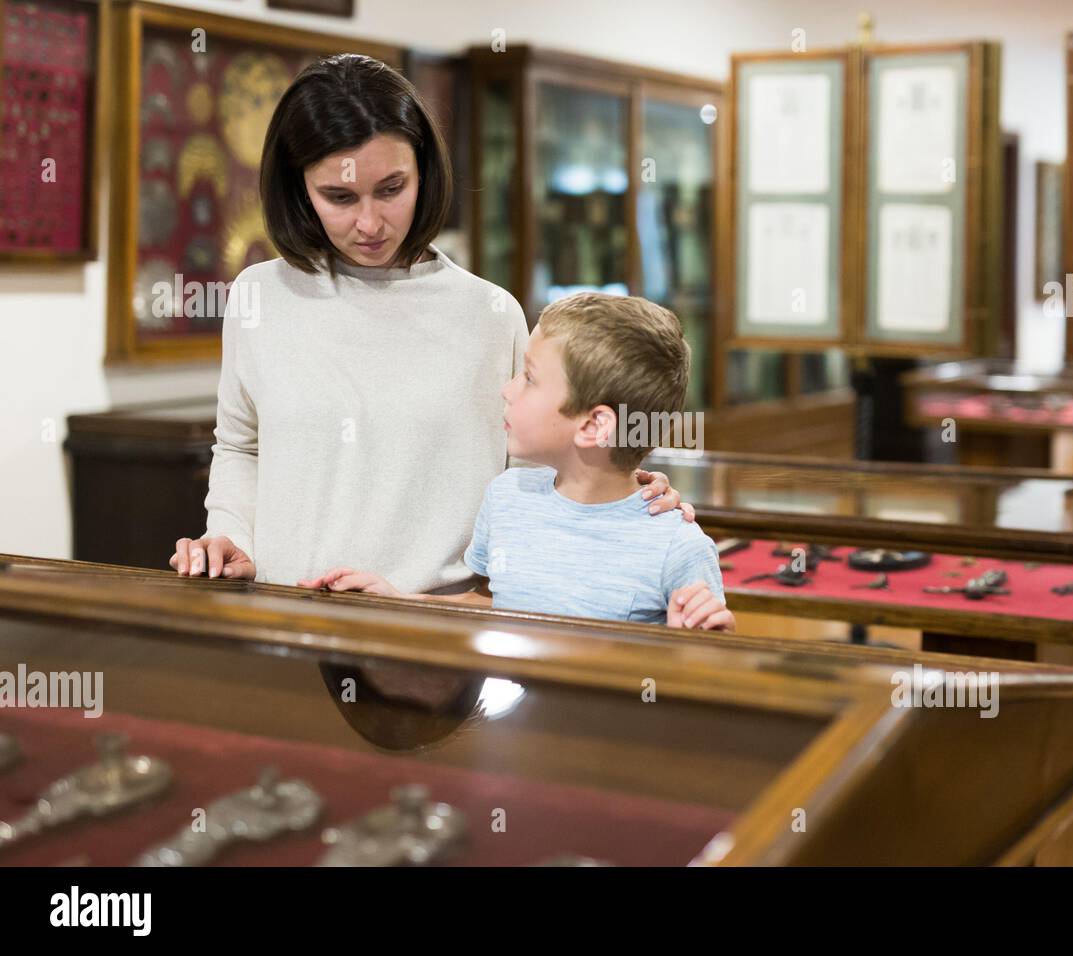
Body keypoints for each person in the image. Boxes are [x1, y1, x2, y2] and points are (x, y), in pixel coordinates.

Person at [168, 54, 691, 595]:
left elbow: (543, 480)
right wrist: (230, 534)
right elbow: (240, 446)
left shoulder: (489, 313)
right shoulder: (259, 297)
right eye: (339, 197)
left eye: (392, 189)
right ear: (298, 187)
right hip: (284, 621)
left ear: (425, 171)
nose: (370, 223)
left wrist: (627, 500)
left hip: (440, 630)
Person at [311, 293, 734, 631]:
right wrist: (398, 600)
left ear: (593, 426)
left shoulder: (680, 548)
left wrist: (692, 642)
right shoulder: (506, 497)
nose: (508, 390)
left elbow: (706, 669)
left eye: (529, 378)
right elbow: (489, 605)